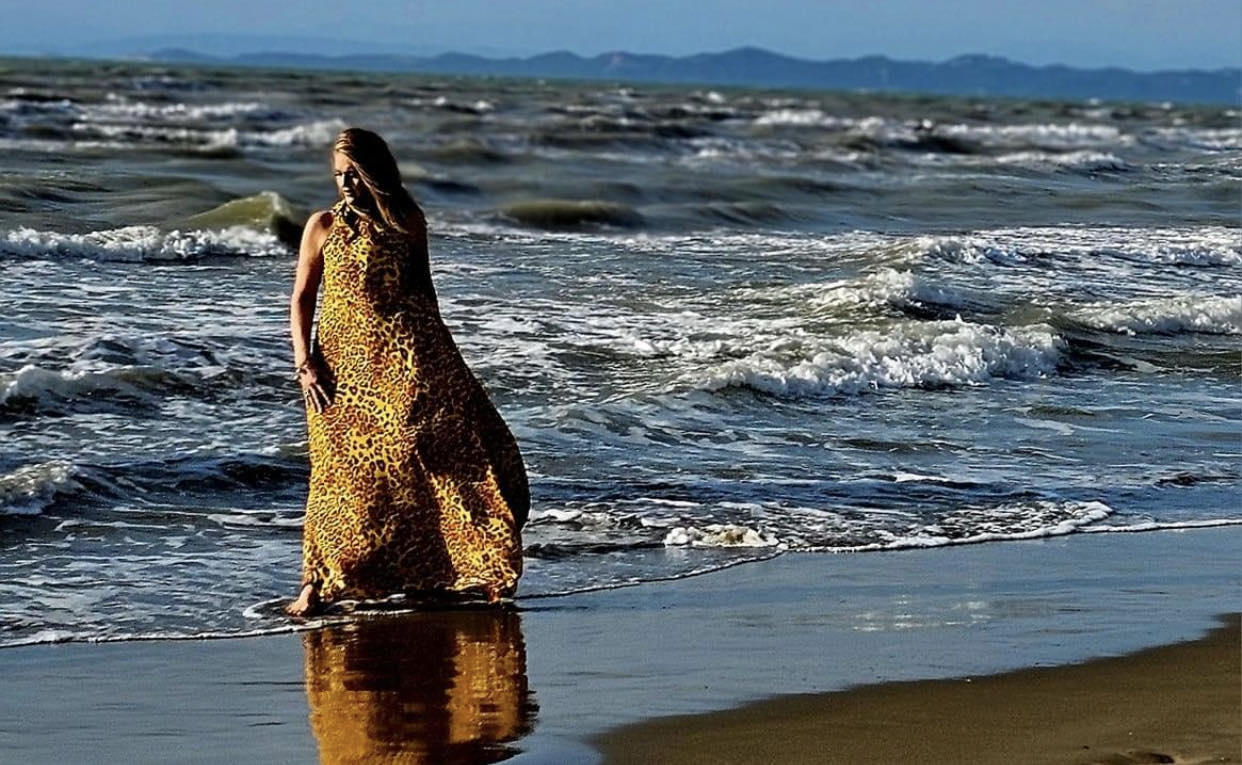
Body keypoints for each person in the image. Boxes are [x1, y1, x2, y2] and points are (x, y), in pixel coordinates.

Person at [286, 127, 528, 617]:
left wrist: (446, 363)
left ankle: (442, 570)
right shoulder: (323, 226)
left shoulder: (406, 222)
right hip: (339, 375)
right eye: (338, 176)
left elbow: (424, 295)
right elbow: (301, 299)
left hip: (405, 363)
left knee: (421, 461)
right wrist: (304, 363)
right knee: (337, 477)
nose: (346, 185)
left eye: (354, 174)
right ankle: (318, 583)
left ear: (375, 173)